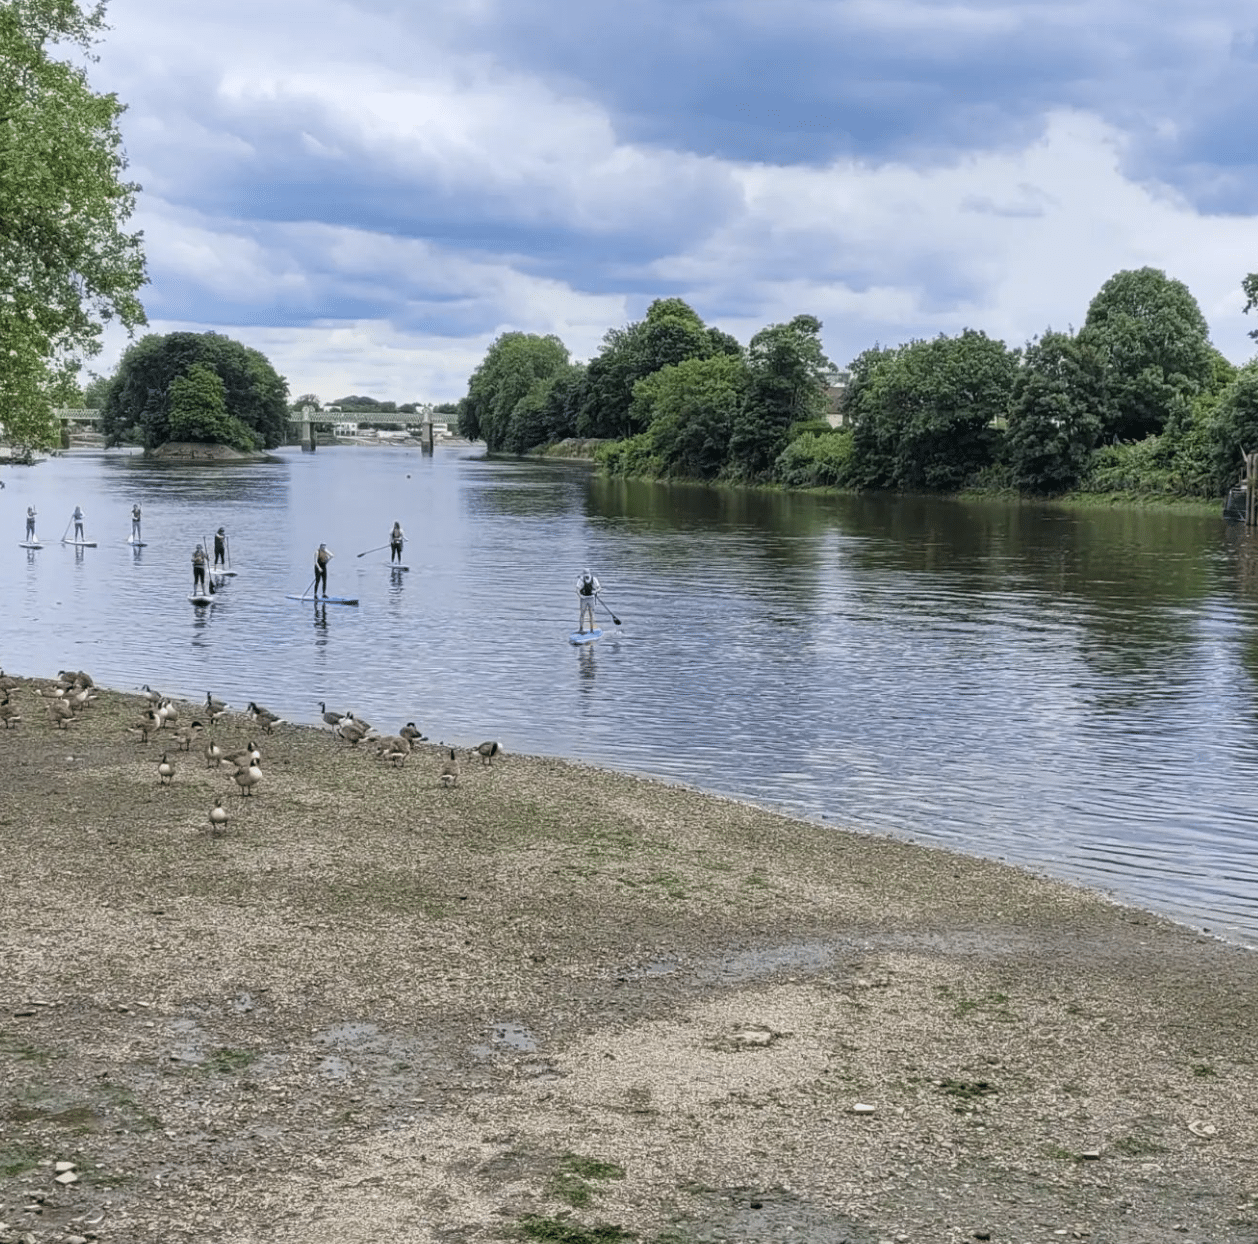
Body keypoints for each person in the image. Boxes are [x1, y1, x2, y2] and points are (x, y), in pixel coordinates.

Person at [575, 567, 601, 634]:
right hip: (583, 598)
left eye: (587, 575)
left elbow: (599, 588)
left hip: (591, 598)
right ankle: (581, 629)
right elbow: (577, 589)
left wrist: (595, 591)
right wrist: (580, 596)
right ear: (583, 574)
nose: (586, 576)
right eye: (585, 575)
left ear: (589, 574)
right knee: (582, 614)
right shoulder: (581, 579)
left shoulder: (594, 579)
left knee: (591, 614)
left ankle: (592, 629)